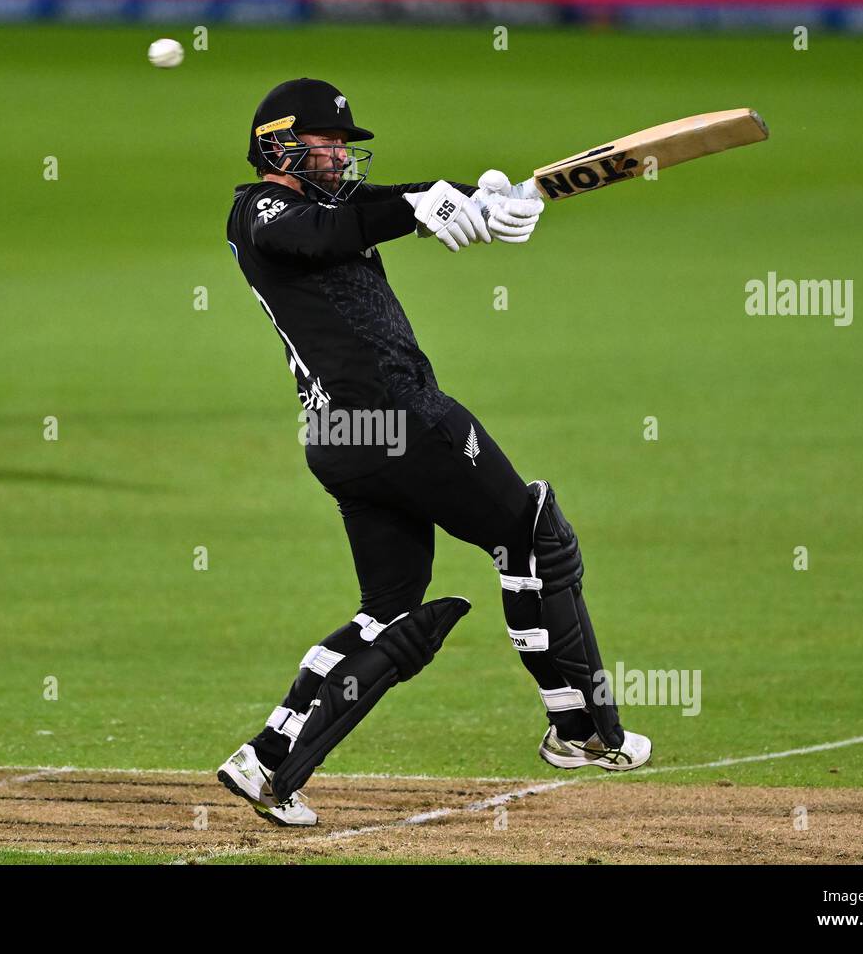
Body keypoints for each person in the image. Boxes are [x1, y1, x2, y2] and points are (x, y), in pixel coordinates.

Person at [219, 78, 651, 826]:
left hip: (342, 437)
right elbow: (310, 236)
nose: (342, 157)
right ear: (279, 145)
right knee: (532, 537)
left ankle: (270, 758)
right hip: (398, 419)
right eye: (329, 143)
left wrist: (475, 198)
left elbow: (387, 202)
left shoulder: (332, 206)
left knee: (388, 611)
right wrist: (418, 209)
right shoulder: (262, 209)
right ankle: (579, 728)